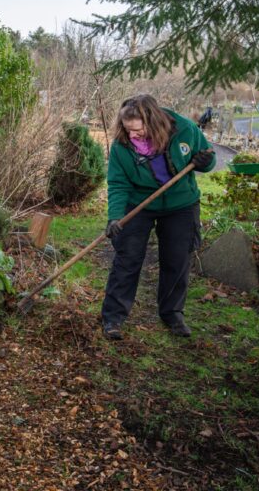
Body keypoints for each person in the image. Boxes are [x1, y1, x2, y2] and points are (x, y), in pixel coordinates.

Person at [101, 94, 215, 340]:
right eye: (128, 129)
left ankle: (172, 314)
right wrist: (115, 217)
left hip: (180, 203)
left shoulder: (184, 129)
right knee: (127, 258)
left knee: (177, 258)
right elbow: (118, 183)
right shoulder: (122, 144)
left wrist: (204, 160)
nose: (132, 135)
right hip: (138, 203)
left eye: (137, 130)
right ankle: (113, 317)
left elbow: (207, 159)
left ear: (153, 122)